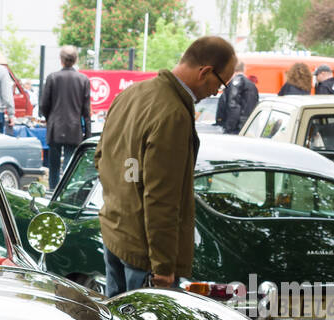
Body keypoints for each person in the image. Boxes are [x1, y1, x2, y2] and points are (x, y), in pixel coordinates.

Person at [96, 36, 236, 296]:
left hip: (114, 234)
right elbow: (161, 196)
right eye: (221, 83)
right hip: (144, 255)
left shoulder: (131, 94)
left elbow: (102, 157)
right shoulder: (173, 114)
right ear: (205, 71)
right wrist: (162, 265)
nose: (217, 92)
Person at [40, 45, 91, 184]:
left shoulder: (52, 78)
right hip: (74, 129)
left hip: (55, 127)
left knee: (54, 166)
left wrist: (49, 119)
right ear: (76, 60)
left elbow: (44, 105)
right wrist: (88, 134)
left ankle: (52, 193)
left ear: (61, 60)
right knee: (70, 166)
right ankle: (66, 195)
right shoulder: (83, 80)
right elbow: (86, 111)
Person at [216, 60, 258, 133]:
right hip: (249, 126)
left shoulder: (234, 83)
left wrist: (229, 128)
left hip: (236, 128)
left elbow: (233, 106)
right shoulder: (252, 85)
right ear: (244, 69)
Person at [312, 65, 334, 150]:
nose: (316, 78)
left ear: (323, 73)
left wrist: (316, 127)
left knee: (328, 149)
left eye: (317, 75)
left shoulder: (324, 87)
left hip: (327, 124)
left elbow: (320, 108)